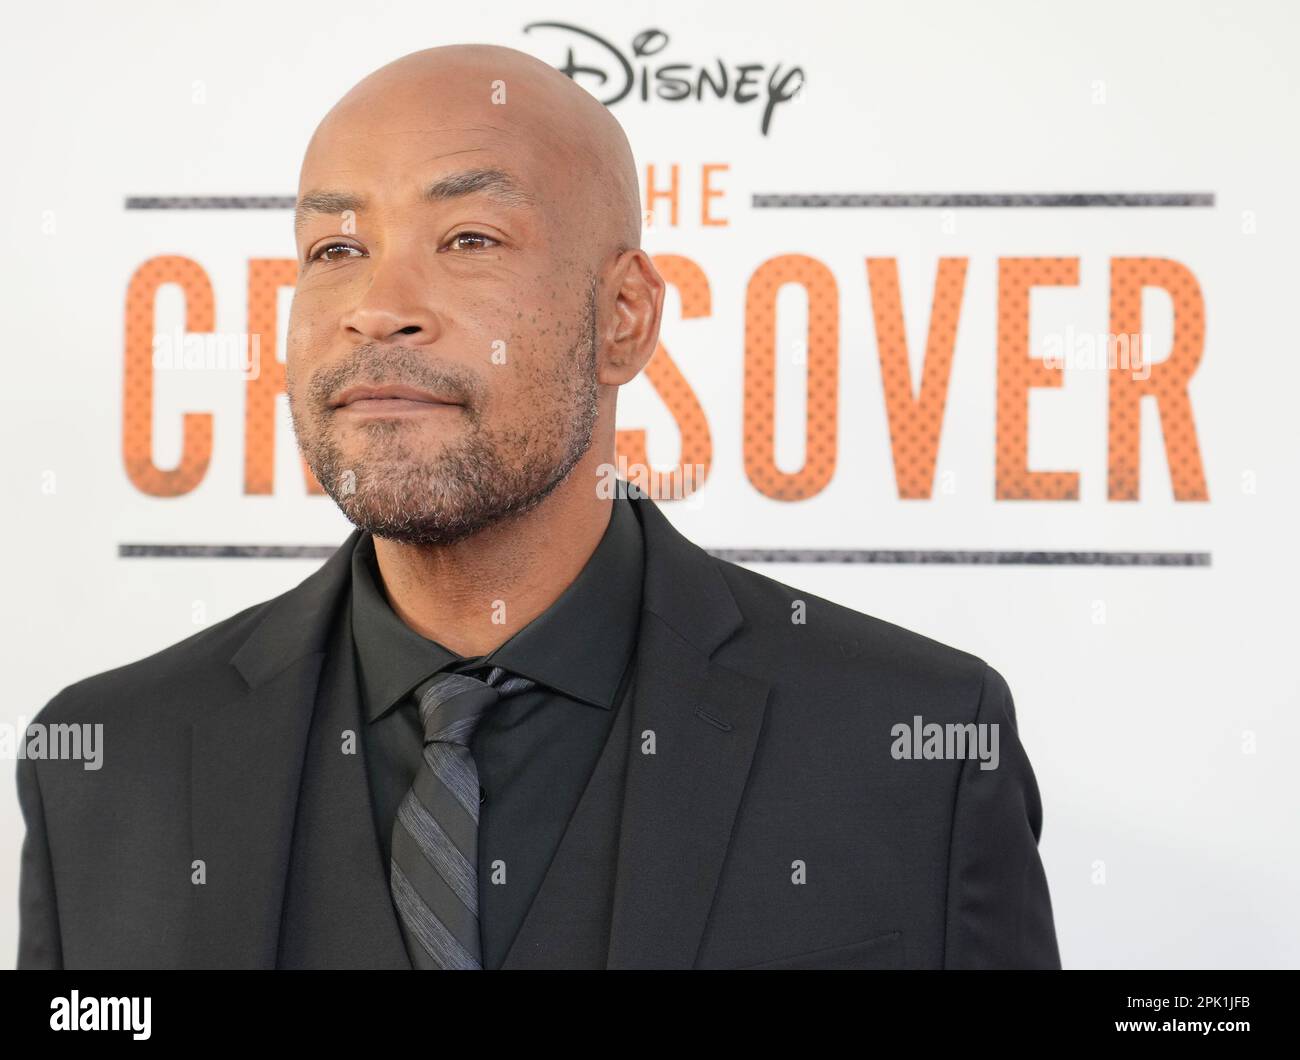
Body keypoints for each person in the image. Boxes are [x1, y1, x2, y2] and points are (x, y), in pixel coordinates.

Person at [15, 43, 1060, 969]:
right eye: (336, 248)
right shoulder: (110, 762)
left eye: (469, 237)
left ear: (624, 317)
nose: (379, 306)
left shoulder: (911, 743)